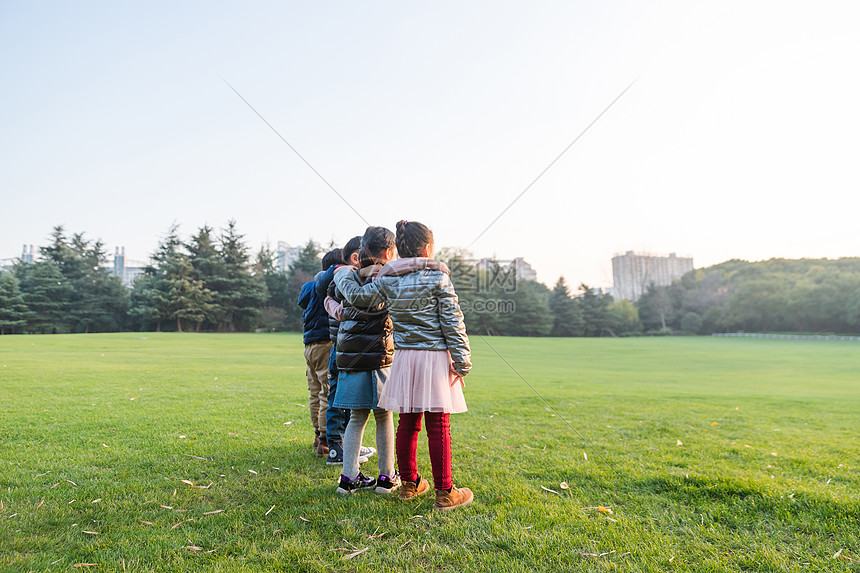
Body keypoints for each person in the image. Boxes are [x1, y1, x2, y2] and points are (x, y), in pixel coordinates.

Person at [334, 220, 473, 511]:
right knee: (438, 425)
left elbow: (358, 298)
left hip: (405, 357)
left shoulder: (388, 279)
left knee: (407, 423)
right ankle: (445, 491)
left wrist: (343, 276)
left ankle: (409, 485)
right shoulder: (438, 279)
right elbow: (452, 322)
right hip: (434, 357)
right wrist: (462, 362)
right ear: (427, 249)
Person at [331, 227, 399, 494]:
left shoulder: (345, 275)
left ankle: (349, 479)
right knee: (384, 416)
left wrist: (356, 272)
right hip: (379, 356)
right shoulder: (389, 277)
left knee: (356, 418)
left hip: (350, 356)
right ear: (388, 251)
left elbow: (334, 297)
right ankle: (386, 478)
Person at [315, 236, 362, 463]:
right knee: (336, 395)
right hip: (341, 345)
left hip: (345, 345)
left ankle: (344, 443)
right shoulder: (343, 277)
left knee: (344, 397)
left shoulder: (345, 278)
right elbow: (346, 310)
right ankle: (335, 446)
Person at [297, 249, 341, 457]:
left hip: (309, 346)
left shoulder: (308, 288)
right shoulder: (331, 286)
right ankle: (325, 440)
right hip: (326, 344)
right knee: (326, 391)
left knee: (314, 392)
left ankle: (317, 435)